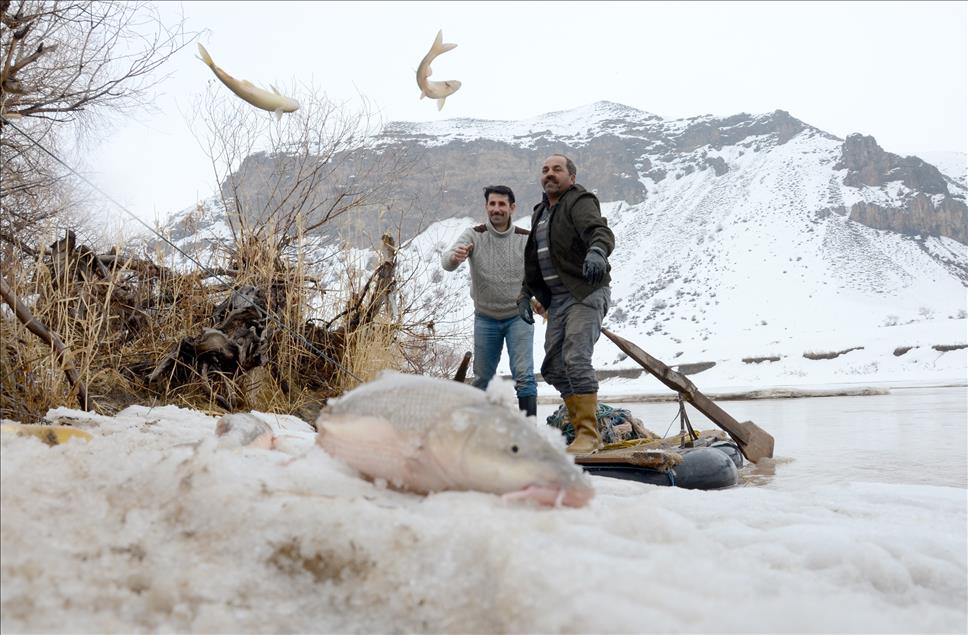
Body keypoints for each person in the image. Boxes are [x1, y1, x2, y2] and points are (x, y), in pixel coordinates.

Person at [517, 154, 615, 453]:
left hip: (584, 293)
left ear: (570, 177)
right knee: (553, 367)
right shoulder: (540, 213)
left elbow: (598, 231)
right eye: (545, 170)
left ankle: (589, 434)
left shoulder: (579, 200)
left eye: (557, 169)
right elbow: (534, 259)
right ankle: (579, 426)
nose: (550, 174)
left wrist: (597, 251)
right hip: (557, 301)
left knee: (575, 358)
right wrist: (525, 293)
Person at [441, 185, 538, 416]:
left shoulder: (525, 238)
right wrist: (455, 257)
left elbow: (540, 273)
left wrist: (539, 300)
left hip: (518, 317)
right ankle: (478, 431)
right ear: (486, 207)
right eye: (492, 204)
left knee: (523, 375)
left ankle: (530, 432)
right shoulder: (474, 234)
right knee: (483, 377)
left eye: (502, 204)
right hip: (485, 318)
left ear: (512, 208)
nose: (496, 209)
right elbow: (446, 262)